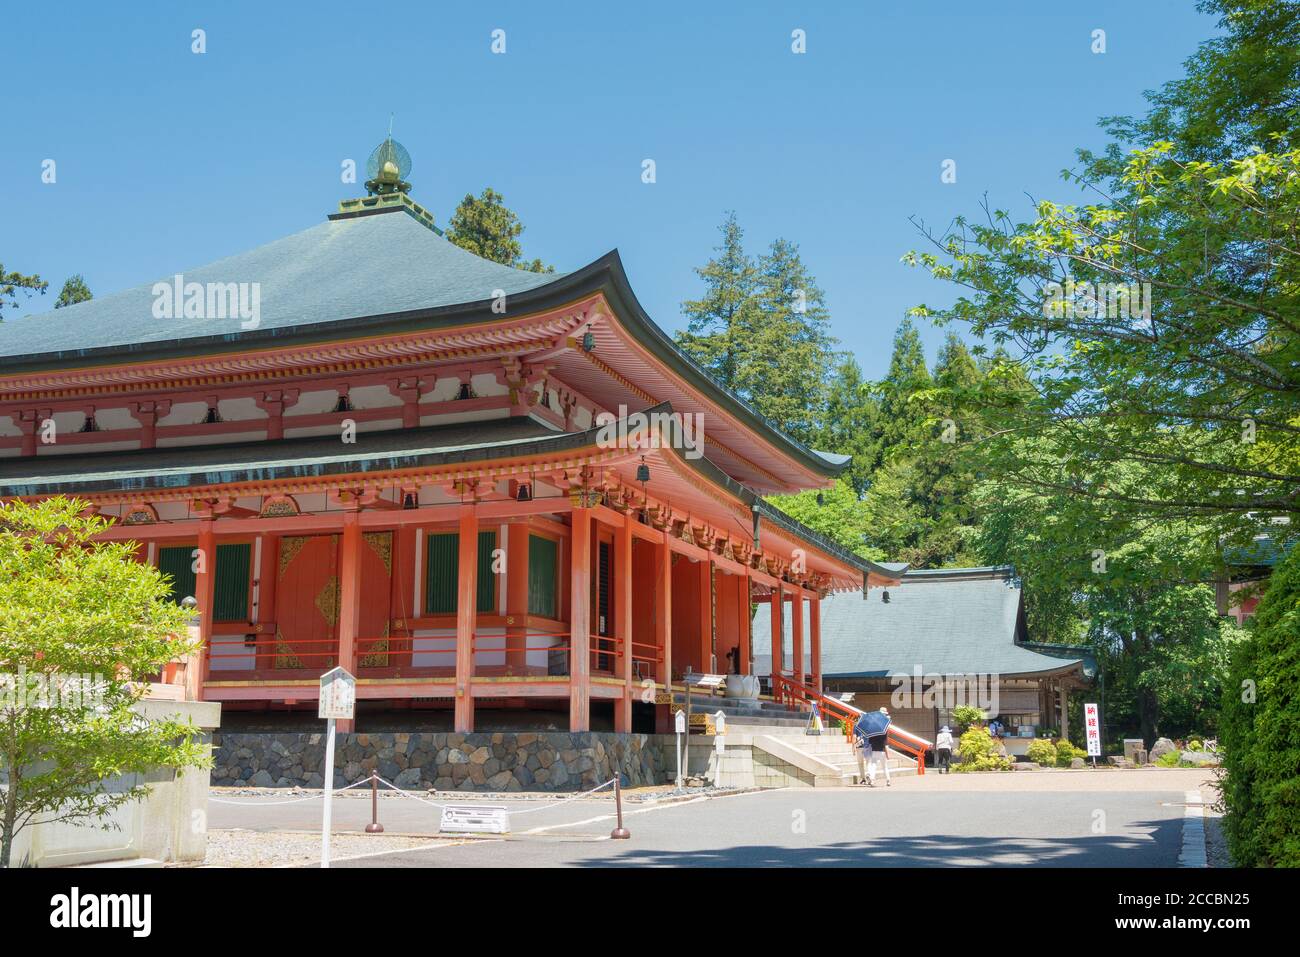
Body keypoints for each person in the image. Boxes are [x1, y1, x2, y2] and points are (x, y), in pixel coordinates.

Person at [855, 707, 892, 787]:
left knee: (873, 765)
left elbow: (870, 742)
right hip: (882, 750)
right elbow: (885, 743)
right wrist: (887, 753)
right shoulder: (883, 731)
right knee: (884, 766)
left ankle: (872, 780)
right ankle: (888, 780)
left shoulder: (872, 733)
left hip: (875, 751)